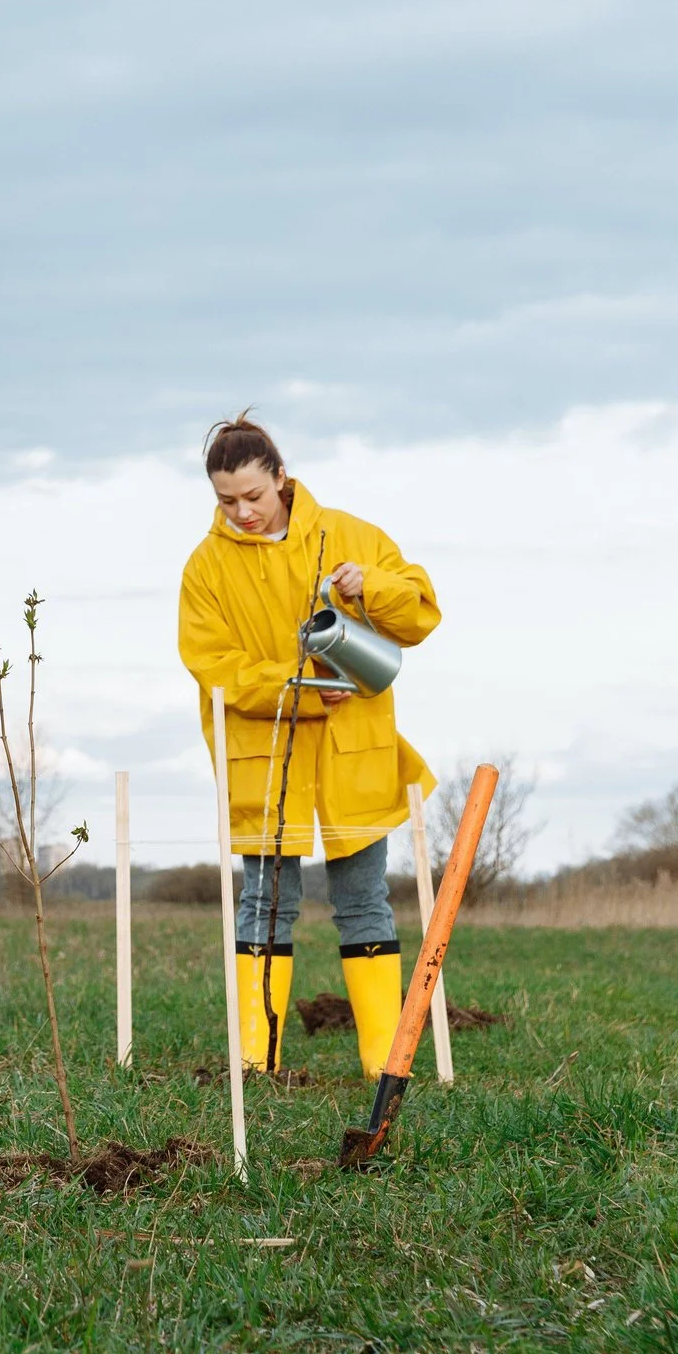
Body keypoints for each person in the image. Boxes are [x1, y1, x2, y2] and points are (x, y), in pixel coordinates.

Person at [177, 413, 440, 1079]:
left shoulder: (349, 535)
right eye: (225, 501)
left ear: (282, 478)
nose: (241, 512)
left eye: (253, 497)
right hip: (262, 753)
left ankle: (386, 1060)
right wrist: (296, 688)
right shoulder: (205, 567)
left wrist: (369, 588)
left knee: (363, 896)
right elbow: (214, 666)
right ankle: (255, 1060)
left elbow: (419, 612)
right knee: (266, 899)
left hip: (356, 750)